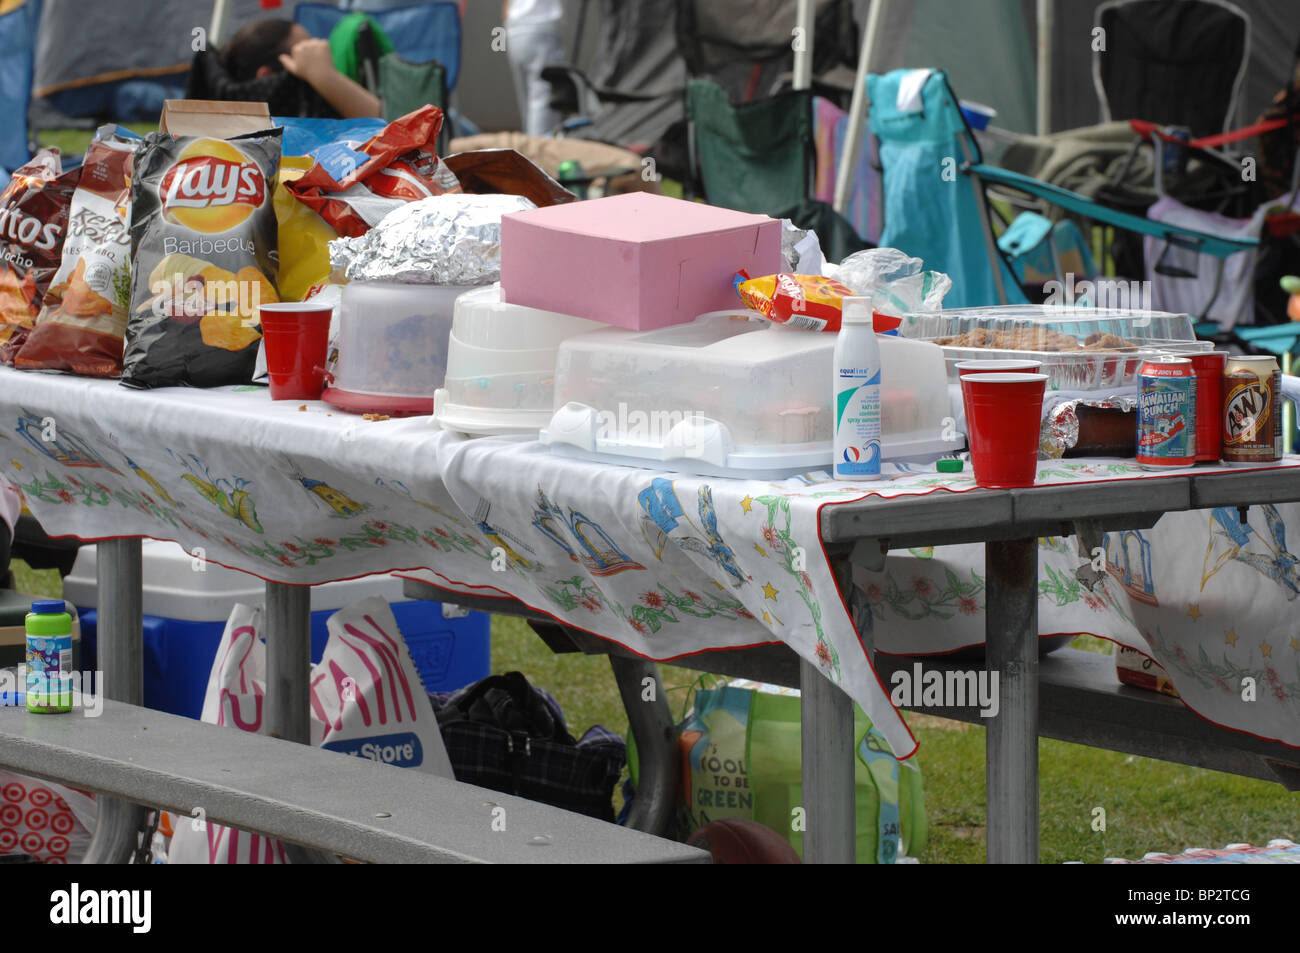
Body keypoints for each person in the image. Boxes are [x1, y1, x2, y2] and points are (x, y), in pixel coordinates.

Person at [198, 17, 382, 119]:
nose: (319, 53)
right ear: (266, 75)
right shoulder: (298, 110)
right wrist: (325, 76)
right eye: (304, 51)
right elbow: (387, 125)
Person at [503, 0, 565, 137]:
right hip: (542, 24)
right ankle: (537, 153)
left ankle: (532, 149)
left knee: (527, 103)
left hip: (514, 26)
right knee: (543, 100)